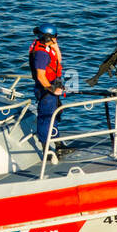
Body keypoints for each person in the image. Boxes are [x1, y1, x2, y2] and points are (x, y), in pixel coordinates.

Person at [29, 23, 71, 153]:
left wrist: (55, 46)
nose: (56, 39)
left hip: (53, 85)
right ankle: (46, 149)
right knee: (46, 117)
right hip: (46, 90)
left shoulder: (47, 47)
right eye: (54, 36)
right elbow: (41, 77)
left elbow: (58, 59)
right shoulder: (42, 54)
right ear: (47, 38)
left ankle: (58, 145)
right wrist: (52, 89)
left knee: (54, 115)